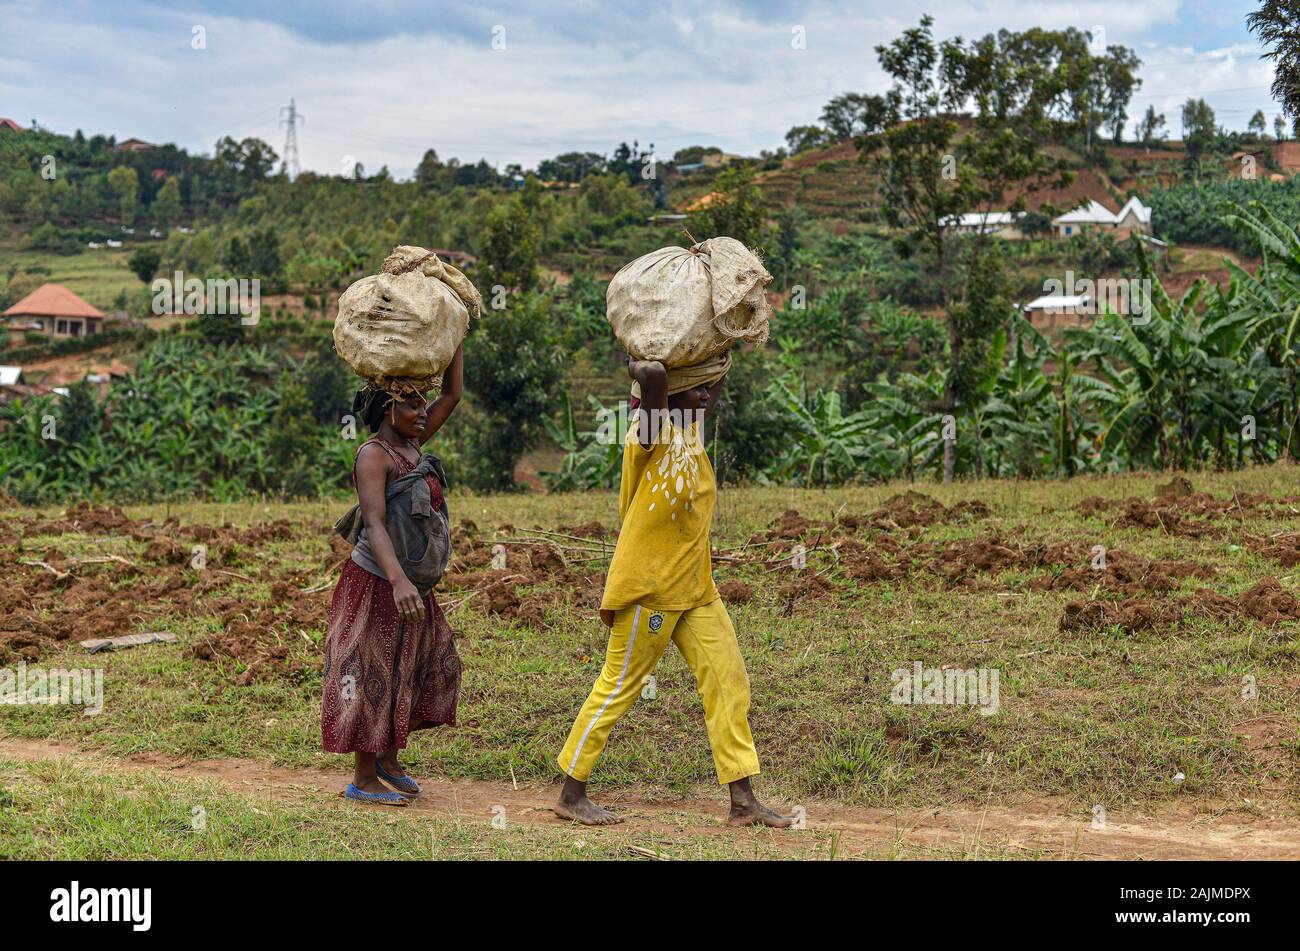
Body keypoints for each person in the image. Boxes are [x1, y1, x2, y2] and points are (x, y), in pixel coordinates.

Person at [553, 351, 792, 827]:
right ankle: (571, 793)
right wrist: (639, 359)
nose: (706, 394)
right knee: (619, 687)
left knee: (728, 682)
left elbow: (713, 380)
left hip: (697, 587)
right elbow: (655, 375)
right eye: (695, 386)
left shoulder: (691, 432)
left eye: (706, 388)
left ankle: (743, 799)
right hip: (650, 587)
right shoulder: (648, 434)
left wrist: (718, 343)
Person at [321, 346, 464, 806]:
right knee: (370, 674)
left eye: (423, 403)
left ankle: (388, 757)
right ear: (388, 409)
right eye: (412, 403)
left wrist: (453, 338)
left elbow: (454, 393)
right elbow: (374, 522)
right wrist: (398, 580)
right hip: (376, 582)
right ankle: (363, 778)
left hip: (412, 584)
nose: (422, 411)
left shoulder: (412, 444)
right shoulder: (374, 455)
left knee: (430, 666)